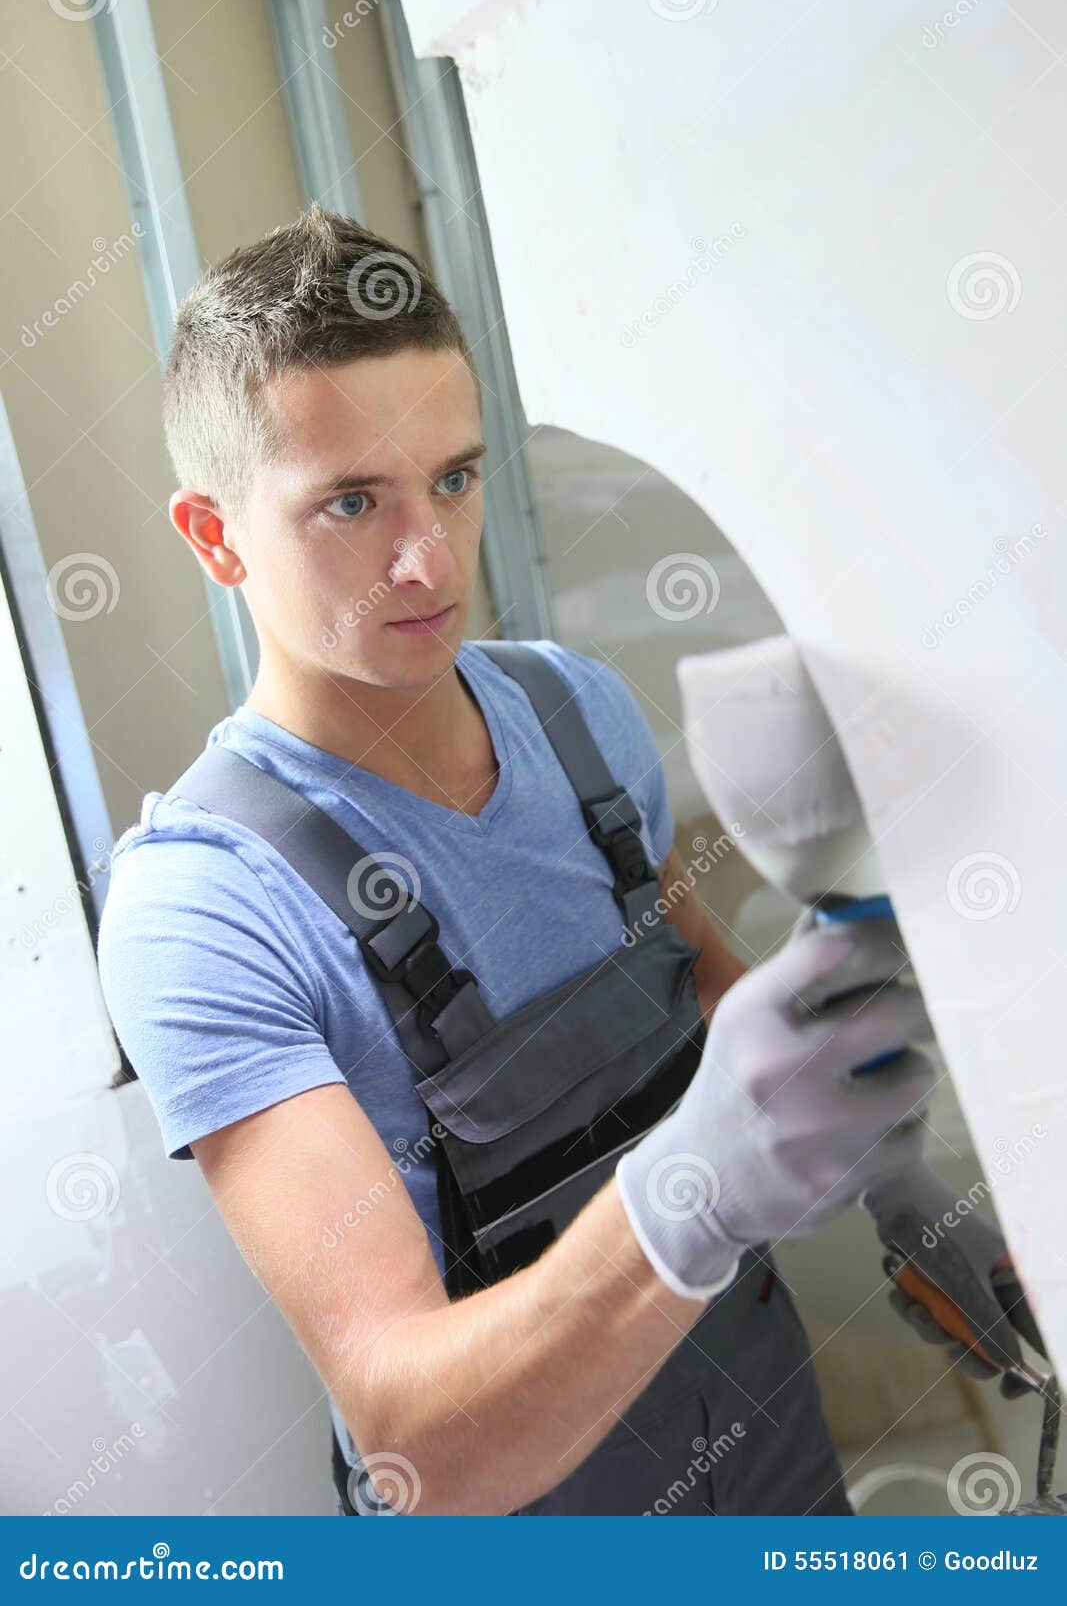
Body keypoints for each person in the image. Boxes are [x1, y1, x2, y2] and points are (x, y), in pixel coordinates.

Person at [97, 206, 936, 1516]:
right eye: (352, 501)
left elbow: (704, 990)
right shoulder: (206, 906)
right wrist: (696, 1183)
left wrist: (904, 1186)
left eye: (454, 477)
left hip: (766, 1452)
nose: (430, 557)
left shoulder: (574, 710)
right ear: (214, 537)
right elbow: (415, 1448)